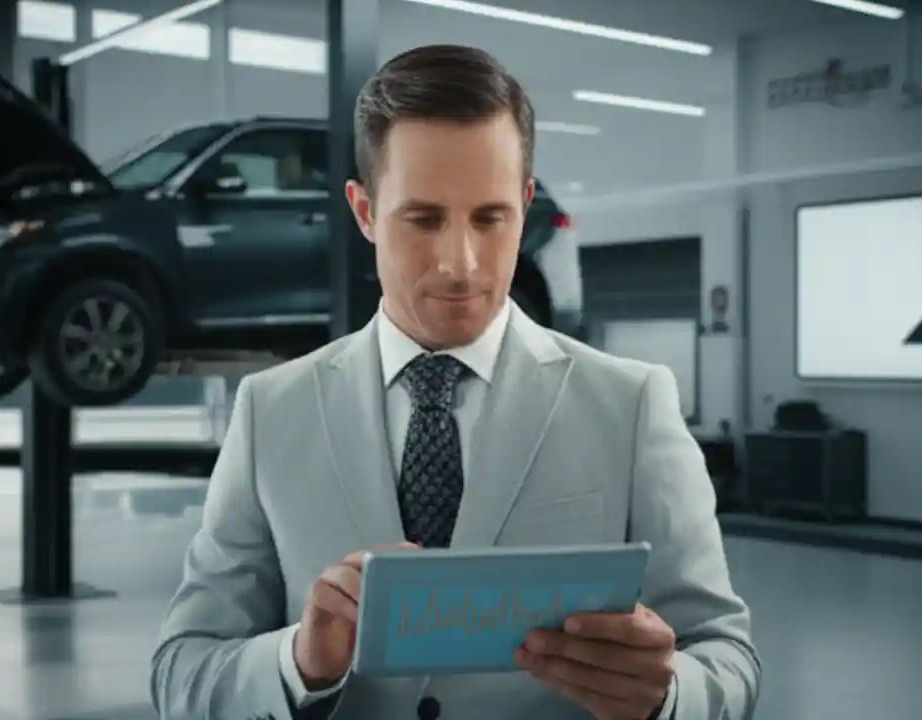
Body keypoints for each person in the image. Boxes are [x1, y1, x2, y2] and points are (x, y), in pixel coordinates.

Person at [151, 44, 760, 720]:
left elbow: (727, 660)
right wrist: (299, 660)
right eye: (424, 218)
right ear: (362, 212)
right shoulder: (271, 411)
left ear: (525, 209)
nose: (460, 264)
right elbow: (183, 673)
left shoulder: (632, 403)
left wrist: (670, 694)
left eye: (489, 217)